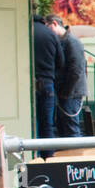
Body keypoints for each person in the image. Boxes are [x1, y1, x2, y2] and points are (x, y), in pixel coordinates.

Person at [49, 16, 87, 138]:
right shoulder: (67, 41)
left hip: (71, 92)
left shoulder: (71, 42)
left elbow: (76, 70)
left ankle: (75, 155)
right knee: (67, 128)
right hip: (68, 91)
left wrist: (65, 91)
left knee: (71, 129)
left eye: (48, 27)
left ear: (54, 24)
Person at [32, 11, 61, 145]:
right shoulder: (50, 34)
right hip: (47, 82)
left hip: (31, 82)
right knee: (47, 124)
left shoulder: (27, 31)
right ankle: (48, 157)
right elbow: (61, 61)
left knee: (33, 123)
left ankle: (35, 156)